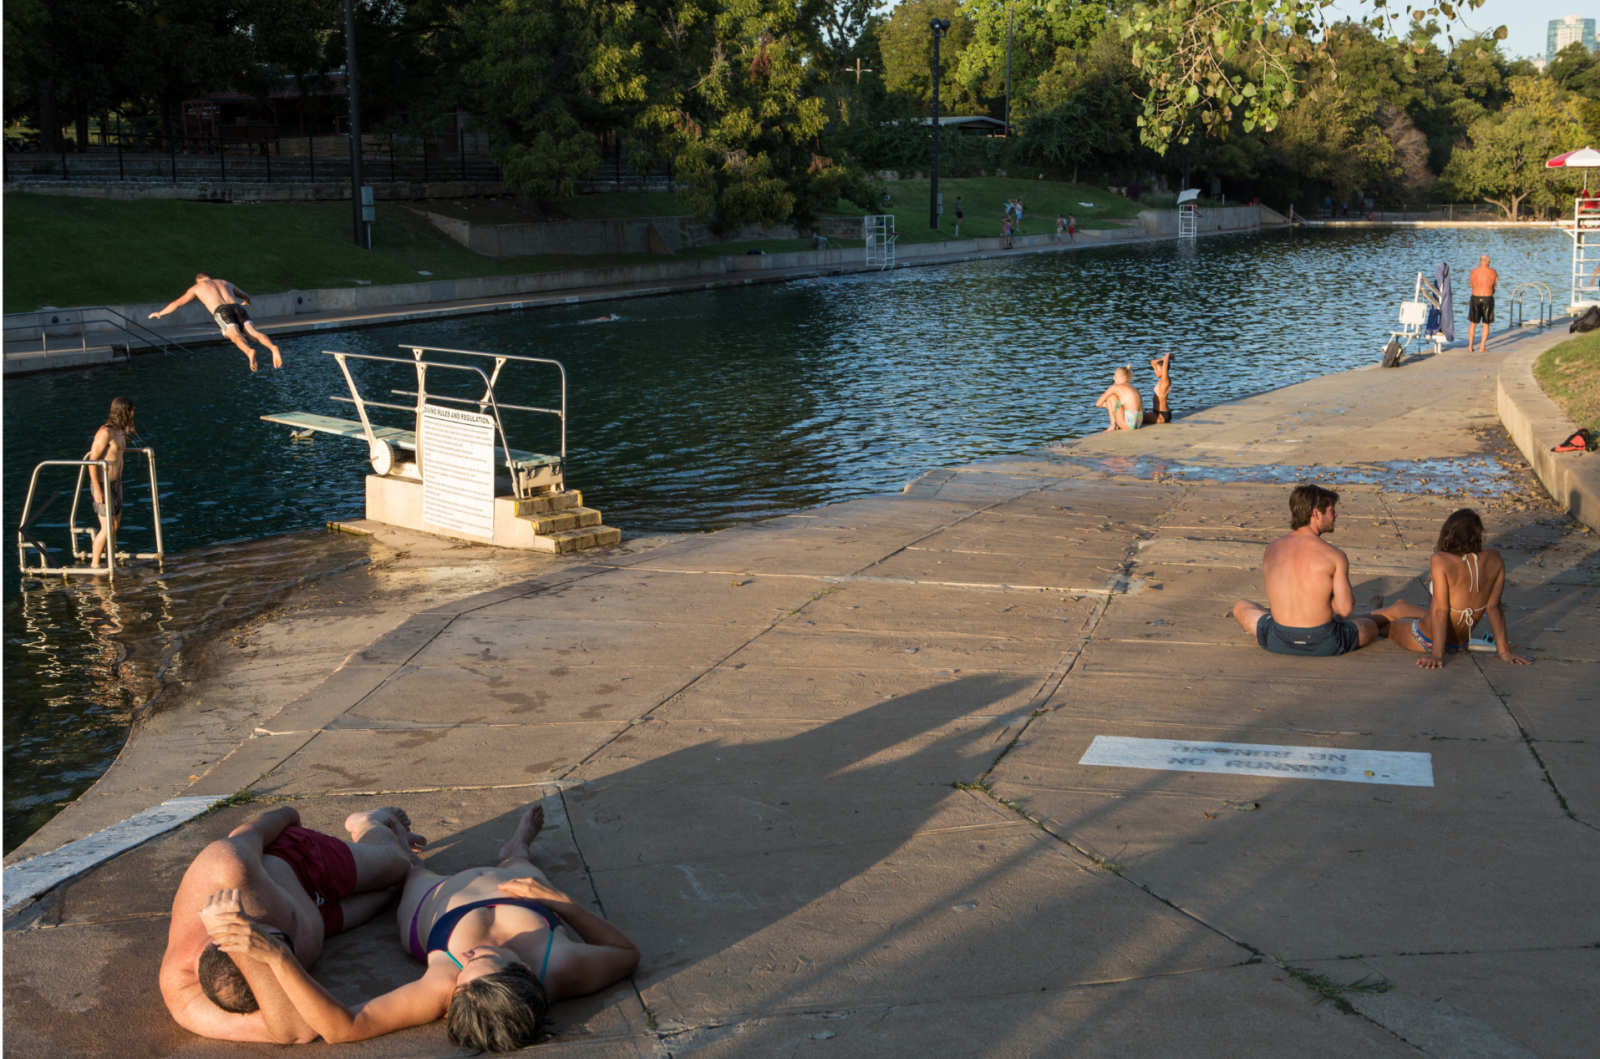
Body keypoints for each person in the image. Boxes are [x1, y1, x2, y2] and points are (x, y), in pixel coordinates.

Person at [202, 802, 639, 1052]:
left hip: (431, 903)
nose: (467, 957)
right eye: (481, 960)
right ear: (525, 971)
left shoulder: (446, 983)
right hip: (515, 885)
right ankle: (516, 846)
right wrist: (562, 904)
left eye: (464, 968)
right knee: (520, 867)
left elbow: (343, 1027)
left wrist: (278, 957)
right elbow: (625, 954)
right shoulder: (561, 965)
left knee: (403, 869)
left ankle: (377, 831)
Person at [161, 805, 425, 1042]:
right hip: (320, 920)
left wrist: (290, 815)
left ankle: (368, 822)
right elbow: (297, 1030)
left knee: (399, 865)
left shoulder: (225, 868)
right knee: (395, 892)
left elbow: (249, 831)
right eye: (281, 944)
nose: (287, 945)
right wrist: (269, 956)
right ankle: (395, 843)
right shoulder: (185, 994)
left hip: (299, 863)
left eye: (273, 936)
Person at [1232, 484, 1414, 656]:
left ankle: (1278, 630)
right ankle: (1372, 612)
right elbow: (1344, 608)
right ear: (1316, 514)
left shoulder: (1271, 549)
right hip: (1324, 642)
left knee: (1240, 607)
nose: (1336, 515)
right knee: (1369, 627)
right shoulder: (1334, 555)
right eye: (1331, 510)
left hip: (1277, 639)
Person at [1379, 509, 1534, 668]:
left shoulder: (1441, 559)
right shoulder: (1494, 558)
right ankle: (1365, 612)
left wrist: (1436, 655)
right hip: (1460, 643)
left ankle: (1357, 619)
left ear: (1448, 533)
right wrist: (1504, 652)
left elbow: (1441, 611)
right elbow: (1494, 607)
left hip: (1427, 640)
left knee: (1385, 625)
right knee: (1400, 606)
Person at [150, 272, 283, 372]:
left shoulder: (197, 287)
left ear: (198, 280)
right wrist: (246, 302)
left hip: (221, 311)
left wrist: (160, 313)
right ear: (209, 277)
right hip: (237, 307)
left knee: (235, 336)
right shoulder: (225, 282)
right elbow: (246, 296)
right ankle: (272, 348)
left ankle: (249, 352)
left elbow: (177, 304)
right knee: (254, 333)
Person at [86, 396, 135, 572]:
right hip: (103, 484)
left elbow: (117, 452)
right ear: (124, 411)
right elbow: (92, 461)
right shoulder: (105, 432)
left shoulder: (121, 431)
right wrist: (97, 489)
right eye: (131, 410)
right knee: (106, 528)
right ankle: (95, 565)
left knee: (114, 527)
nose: (133, 413)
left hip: (116, 484)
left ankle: (111, 563)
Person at [1095, 366, 1144, 431]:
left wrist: (1108, 405)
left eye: (1115, 376)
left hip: (1128, 424)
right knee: (1119, 401)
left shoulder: (1115, 387)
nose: (1113, 378)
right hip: (1139, 422)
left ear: (1122, 378)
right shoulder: (1134, 388)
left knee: (1111, 397)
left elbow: (1098, 403)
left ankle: (1113, 425)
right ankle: (1116, 424)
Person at [1467, 254, 1497, 354]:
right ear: (1488, 261)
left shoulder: (1473, 272)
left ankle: (1470, 346)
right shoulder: (1493, 272)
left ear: (1480, 261)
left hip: (1475, 297)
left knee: (1473, 323)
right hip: (1488, 298)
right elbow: (1494, 287)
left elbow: (1471, 285)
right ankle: (1482, 347)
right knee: (1486, 323)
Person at [1143, 353, 1174, 424]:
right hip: (1156, 412)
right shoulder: (1161, 380)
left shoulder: (1165, 382)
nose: (1154, 370)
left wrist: (1167, 355)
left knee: (1138, 417)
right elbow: (1152, 362)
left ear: (1163, 370)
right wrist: (1162, 359)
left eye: (1157, 369)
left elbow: (1165, 366)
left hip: (1162, 414)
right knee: (1138, 415)